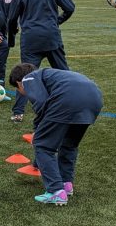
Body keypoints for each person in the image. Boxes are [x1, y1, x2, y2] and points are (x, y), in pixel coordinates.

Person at [9, 63, 103, 205]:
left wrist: (39, 131)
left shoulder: (28, 78)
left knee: (42, 145)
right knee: (69, 144)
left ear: (18, 83)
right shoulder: (49, 75)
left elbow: (41, 104)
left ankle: (56, 191)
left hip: (68, 99)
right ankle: (66, 184)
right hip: (94, 98)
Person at [7, 0, 75, 122]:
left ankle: (18, 113)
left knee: (26, 75)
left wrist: (12, 38)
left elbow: (11, 19)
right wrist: (57, 21)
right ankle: (72, 103)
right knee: (63, 73)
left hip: (30, 40)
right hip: (52, 37)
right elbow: (70, 8)